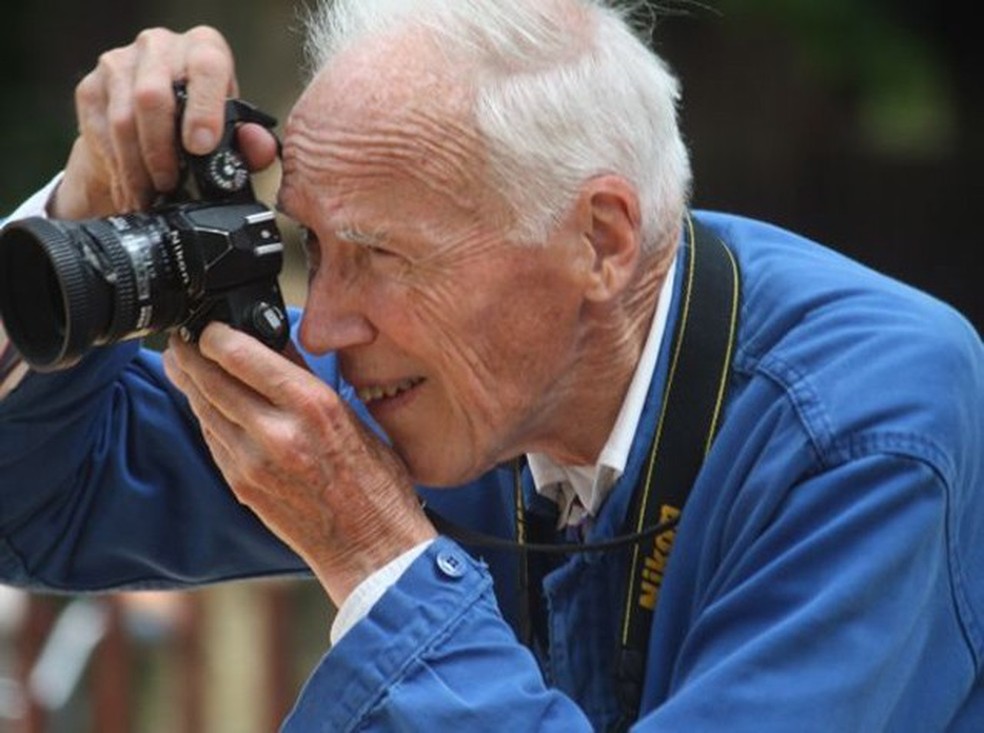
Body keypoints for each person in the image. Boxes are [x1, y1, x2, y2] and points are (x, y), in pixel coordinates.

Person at [1, 0, 982, 730]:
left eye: (381, 254)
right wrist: (89, 207)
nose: (325, 327)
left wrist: (377, 556)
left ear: (600, 241)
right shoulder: (456, 369)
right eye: (312, 248)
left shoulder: (871, 425)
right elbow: (39, 506)